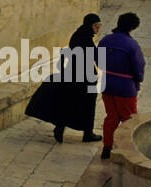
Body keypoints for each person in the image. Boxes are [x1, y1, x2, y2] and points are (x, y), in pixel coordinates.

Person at [23, 13, 104, 143]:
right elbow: (95, 57)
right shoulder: (86, 39)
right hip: (83, 78)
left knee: (69, 103)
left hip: (72, 75)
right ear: (90, 25)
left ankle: (60, 128)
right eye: (96, 26)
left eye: (99, 26)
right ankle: (87, 133)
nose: (98, 29)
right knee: (87, 105)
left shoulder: (78, 34)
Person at [98, 12, 144, 160]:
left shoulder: (105, 40)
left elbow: (98, 61)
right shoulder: (132, 45)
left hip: (108, 84)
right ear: (133, 28)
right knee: (129, 119)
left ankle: (107, 147)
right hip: (125, 87)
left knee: (111, 117)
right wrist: (138, 80)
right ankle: (128, 150)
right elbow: (138, 67)